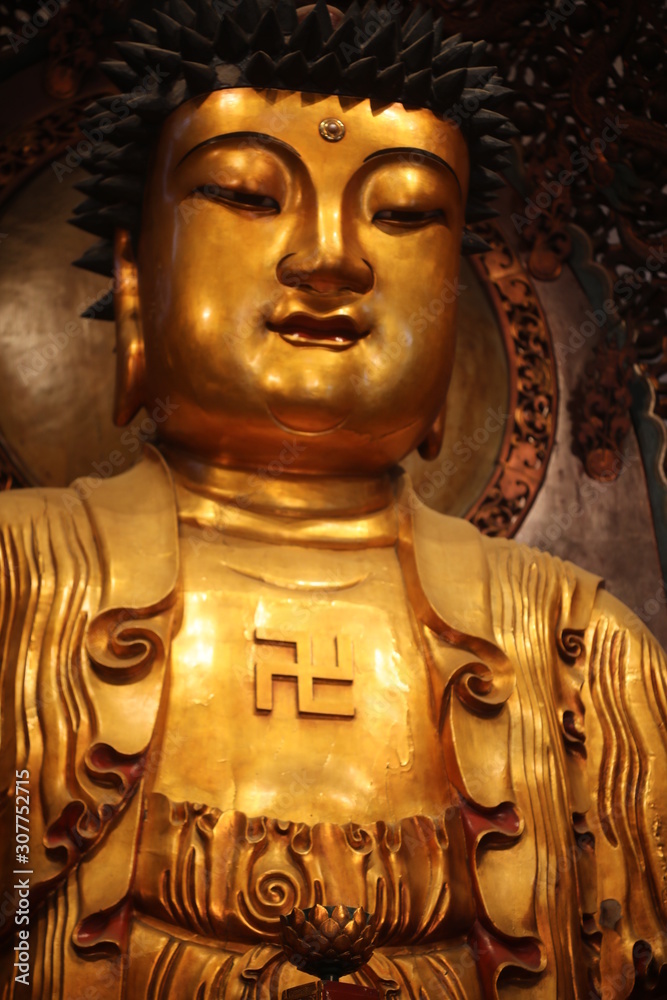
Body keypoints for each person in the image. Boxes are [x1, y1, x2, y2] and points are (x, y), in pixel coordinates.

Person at [1, 1, 666, 997]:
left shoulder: (583, 659)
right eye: (244, 191)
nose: (331, 256)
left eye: (401, 211)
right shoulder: (17, 592)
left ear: (454, 305)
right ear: (135, 289)